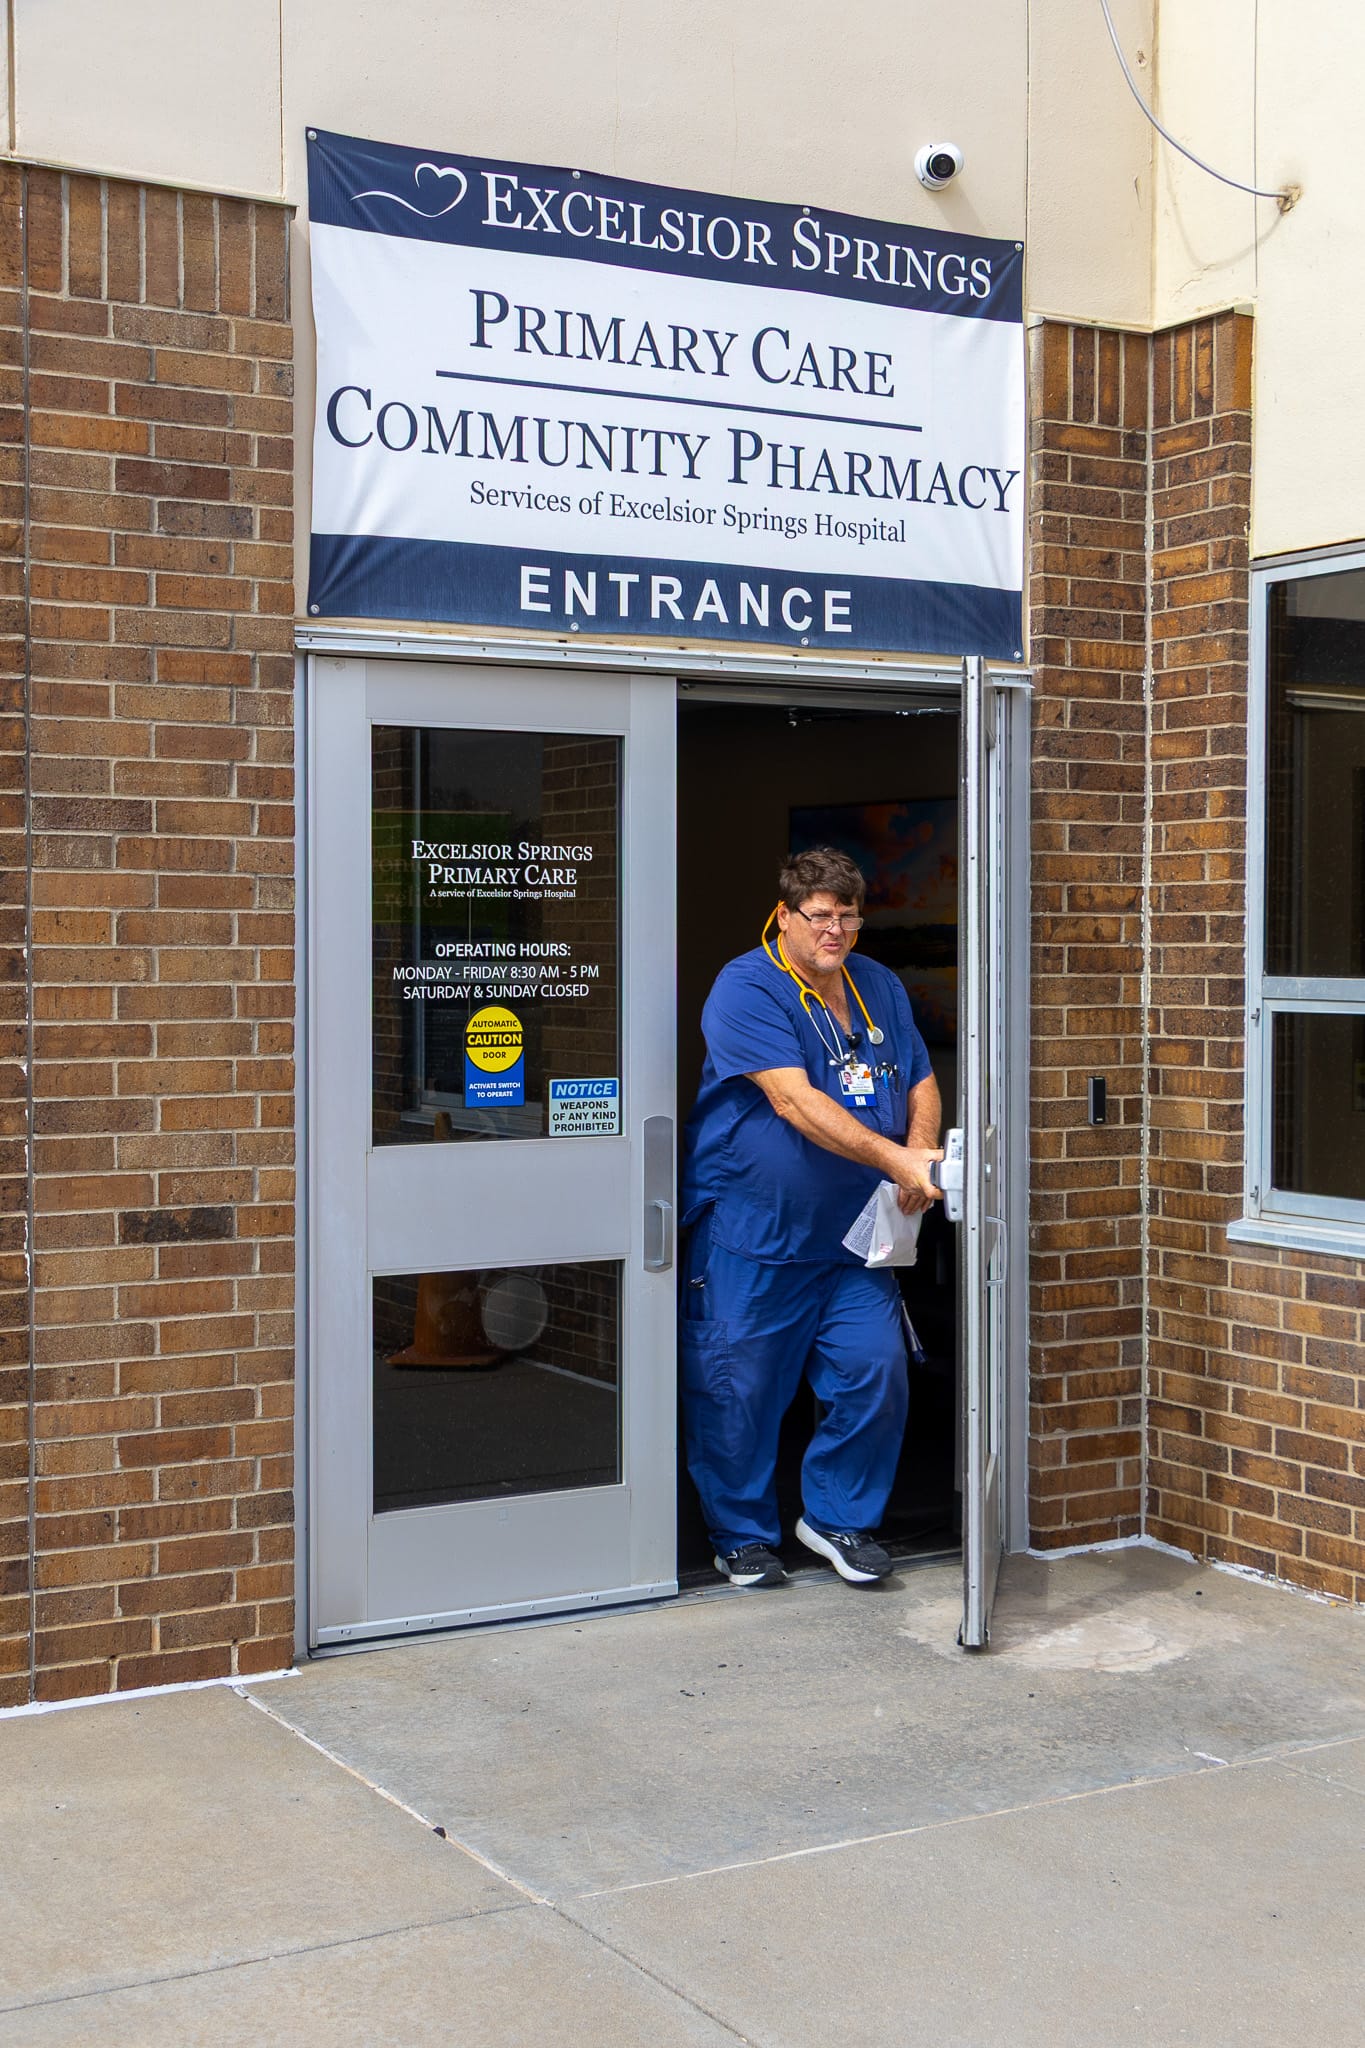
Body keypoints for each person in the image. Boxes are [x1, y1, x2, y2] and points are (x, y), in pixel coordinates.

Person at [680, 846, 943, 1588]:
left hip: (855, 1240)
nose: (835, 931)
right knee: (738, 1391)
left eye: (848, 916)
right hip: (754, 1235)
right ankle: (740, 1535)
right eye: (820, 916)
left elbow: (918, 1078)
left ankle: (835, 1519)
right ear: (785, 916)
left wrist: (917, 1150)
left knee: (873, 1374)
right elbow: (793, 1101)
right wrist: (896, 1163)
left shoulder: (878, 985)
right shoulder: (748, 987)